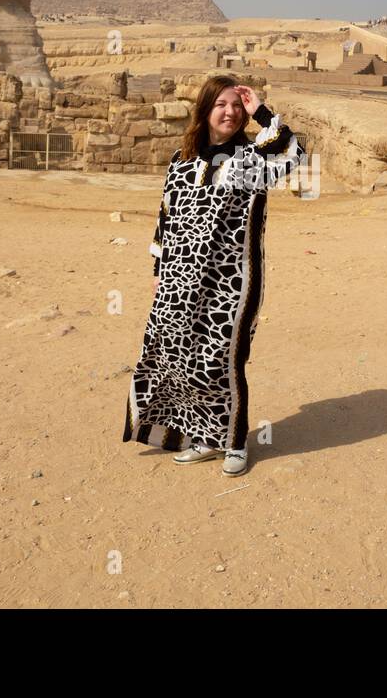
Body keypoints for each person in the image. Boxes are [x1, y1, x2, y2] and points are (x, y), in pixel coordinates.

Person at [123, 75, 306, 479]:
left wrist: (261, 111)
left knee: (223, 361)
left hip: (231, 284)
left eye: (237, 107)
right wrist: (159, 270)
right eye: (221, 104)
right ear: (205, 110)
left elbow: (295, 152)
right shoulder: (181, 161)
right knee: (187, 361)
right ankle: (205, 437)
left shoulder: (250, 159)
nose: (230, 112)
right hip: (178, 281)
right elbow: (165, 219)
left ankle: (236, 442)